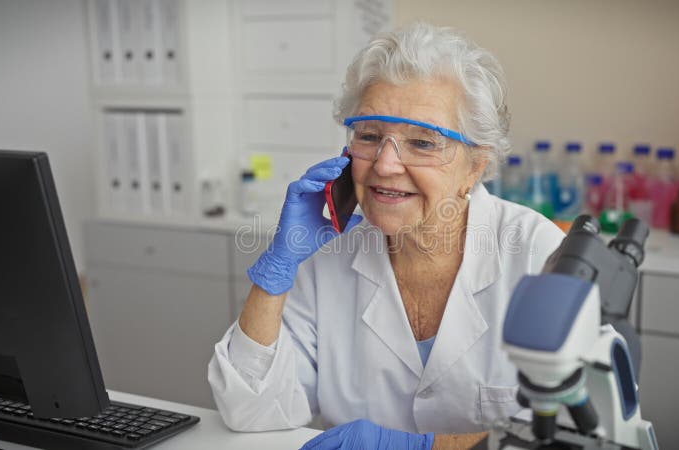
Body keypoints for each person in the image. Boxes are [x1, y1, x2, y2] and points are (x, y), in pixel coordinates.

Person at [208, 22, 565, 449]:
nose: (385, 164)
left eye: (423, 143)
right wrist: (275, 270)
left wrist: (430, 449)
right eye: (370, 136)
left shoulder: (538, 253)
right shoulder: (326, 255)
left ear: (475, 166)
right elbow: (252, 411)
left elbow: (586, 433)